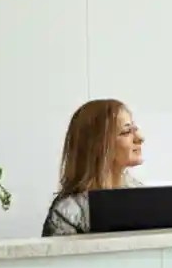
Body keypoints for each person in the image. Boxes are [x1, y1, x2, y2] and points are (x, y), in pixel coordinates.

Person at [41, 98, 144, 236]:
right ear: (98, 146)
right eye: (126, 132)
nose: (140, 137)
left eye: (135, 129)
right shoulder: (68, 214)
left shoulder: (141, 196)